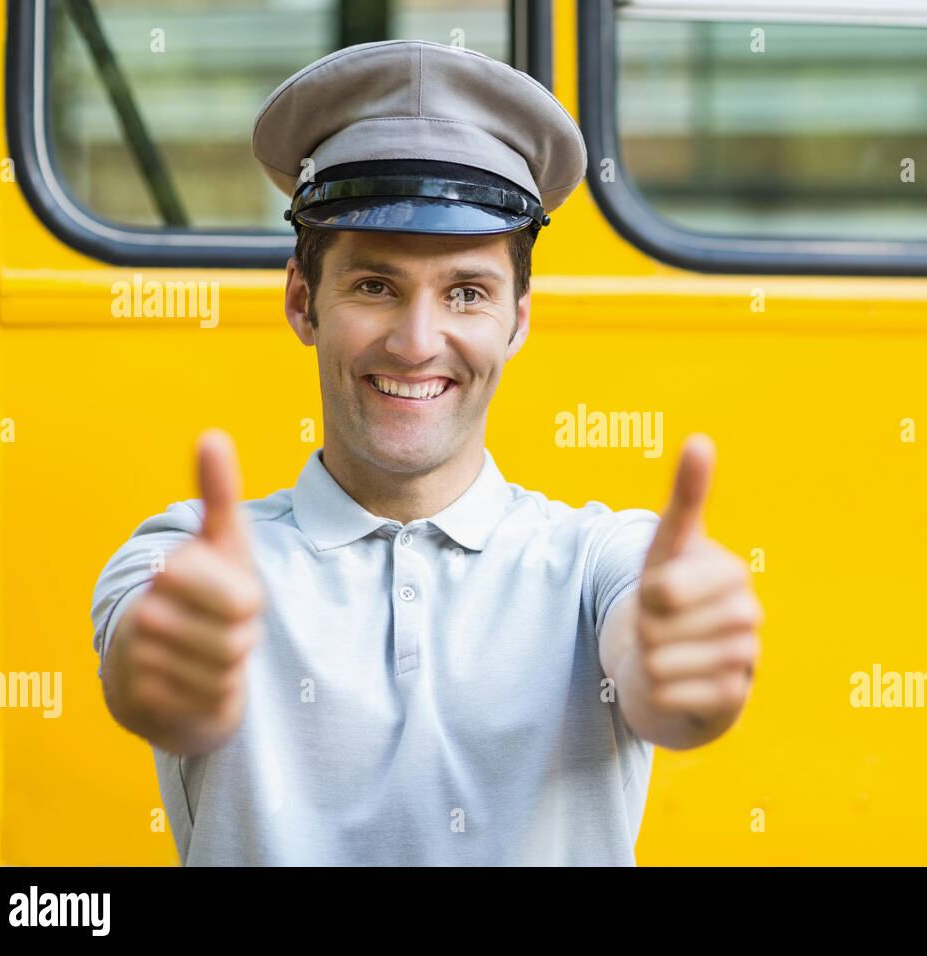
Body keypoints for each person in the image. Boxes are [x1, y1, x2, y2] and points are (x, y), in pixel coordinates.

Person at [90, 40, 763, 866]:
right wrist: (170, 674)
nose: (416, 342)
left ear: (517, 320)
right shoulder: (186, 555)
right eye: (375, 286)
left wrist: (680, 674)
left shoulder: (605, 560)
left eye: (466, 293)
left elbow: (665, 683)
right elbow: (154, 678)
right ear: (304, 303)